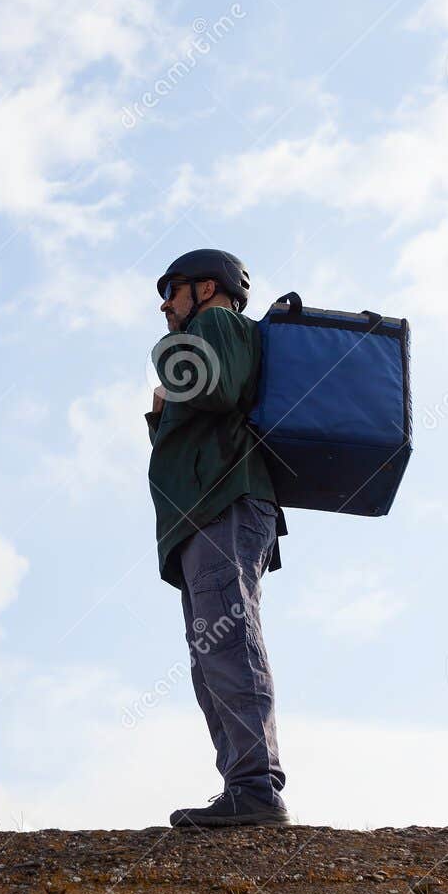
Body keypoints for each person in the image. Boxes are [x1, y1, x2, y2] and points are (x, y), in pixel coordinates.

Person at [145, 249, 291, 828]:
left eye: (173, 290)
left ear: (207, 289)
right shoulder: (209, 334)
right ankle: (242, 786)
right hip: (205, 510)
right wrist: (163, 411)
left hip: (223, 503)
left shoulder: (217, 324)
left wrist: (168, 371)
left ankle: (256, 786)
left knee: (227, 640)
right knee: (212, 652)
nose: (164, 303)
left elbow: (215, 388)